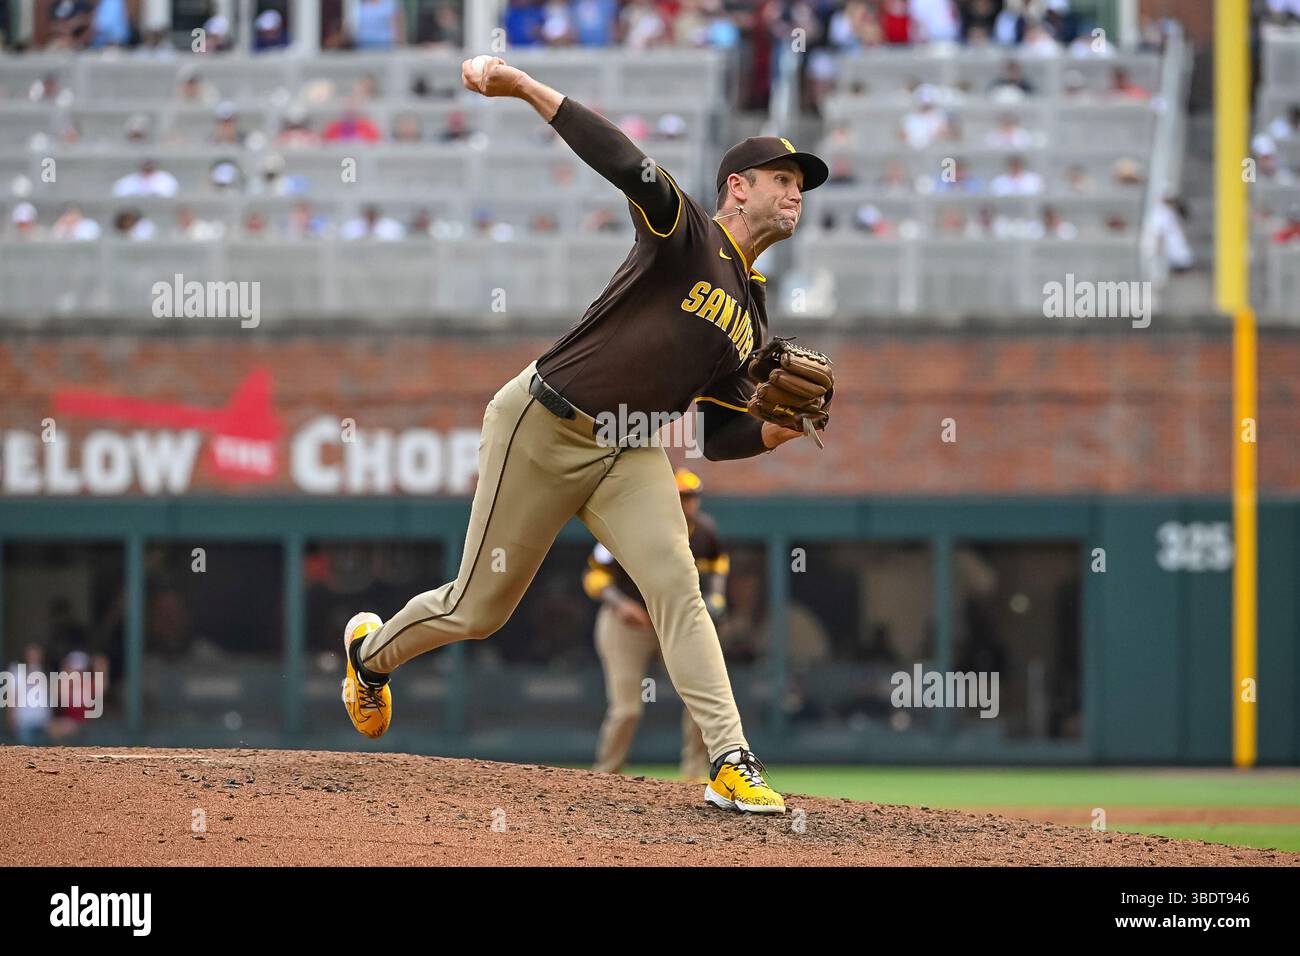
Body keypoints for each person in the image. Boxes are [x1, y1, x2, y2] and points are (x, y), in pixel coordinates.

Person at [340, 54, 832, 815]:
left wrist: (782, 430)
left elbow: (723, 433)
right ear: (738, 187)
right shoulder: (688, 235)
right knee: (477, 609)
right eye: (782, 177)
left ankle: (731, 762)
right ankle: (369, 659)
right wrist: (526, 88)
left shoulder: (755, 317)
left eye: (801, 182)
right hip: (544, 422)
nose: (796, 190)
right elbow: (625, 163)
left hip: (629, 447)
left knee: (680, 589)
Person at [587, 468, 728, 782]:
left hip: (671, 622)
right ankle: (606, 776)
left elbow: (719, 565)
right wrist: (620, 604)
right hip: (627, 624)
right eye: (680, 497)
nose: (686, 503)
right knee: (627, 709)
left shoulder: (704, 532)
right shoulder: (632, 527)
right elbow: (595, 577)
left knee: (699, 700)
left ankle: (694, 776)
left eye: (691, 497)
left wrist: (717, 597)